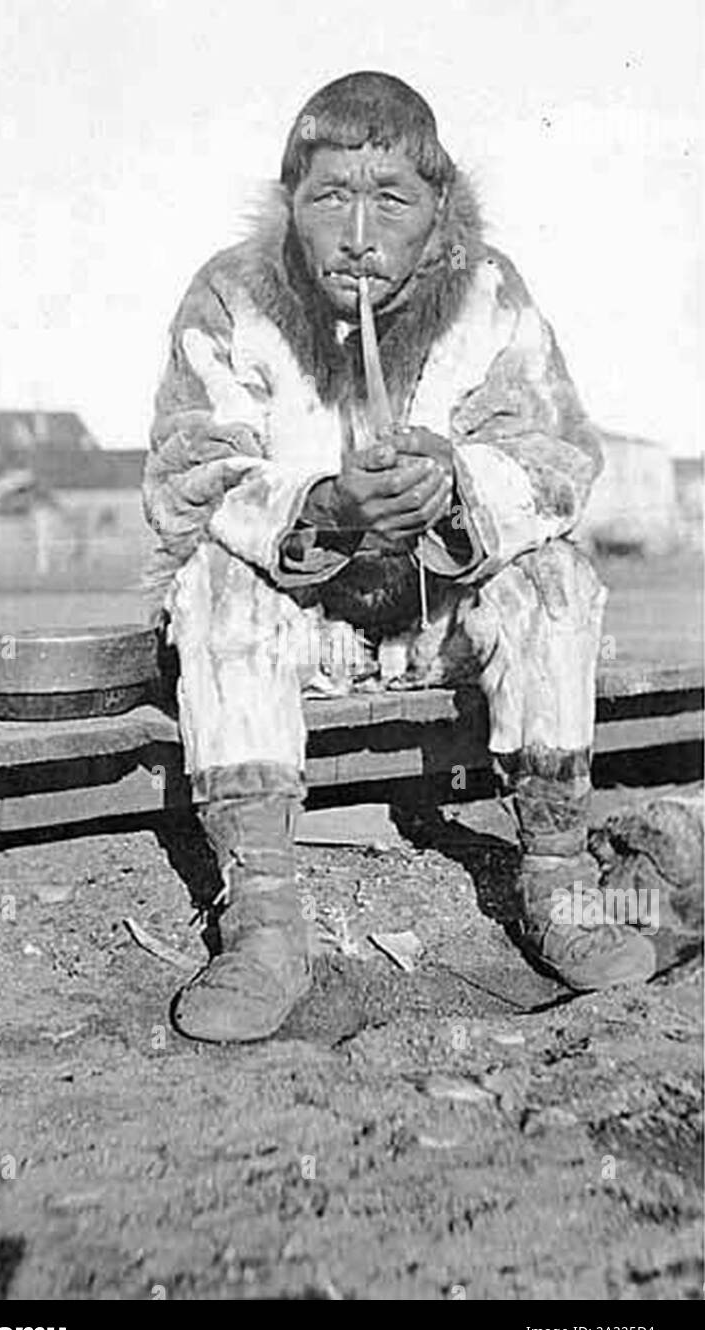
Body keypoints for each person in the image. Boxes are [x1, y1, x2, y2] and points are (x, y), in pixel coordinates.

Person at [142, 70, 656, 1043]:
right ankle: (264, 921)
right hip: (298, 635)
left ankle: (552, 875)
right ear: (289, 200)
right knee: (211, 578)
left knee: (555, 574)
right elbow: (191, 469)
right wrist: (321, 505)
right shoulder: (231, 295)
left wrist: (459, 483)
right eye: (331, 195)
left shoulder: (490, 294)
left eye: (394, 199)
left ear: (440, 209)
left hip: (439, 621)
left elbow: (553, 452)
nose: (360, 232)